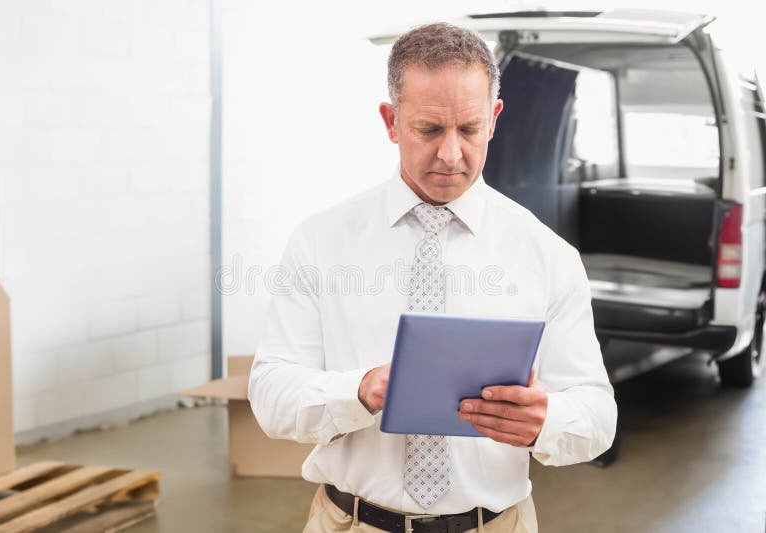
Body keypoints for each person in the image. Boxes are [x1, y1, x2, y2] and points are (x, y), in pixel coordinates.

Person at [248, 22, 617, 533]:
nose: (450, 154)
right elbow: (270, 395)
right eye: (428, 130)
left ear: (494, 118)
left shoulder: (547, 256)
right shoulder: (321, 242)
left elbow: (598, 416)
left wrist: (545, 421)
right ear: (391, 121)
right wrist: (358, 392)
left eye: (468, 129)